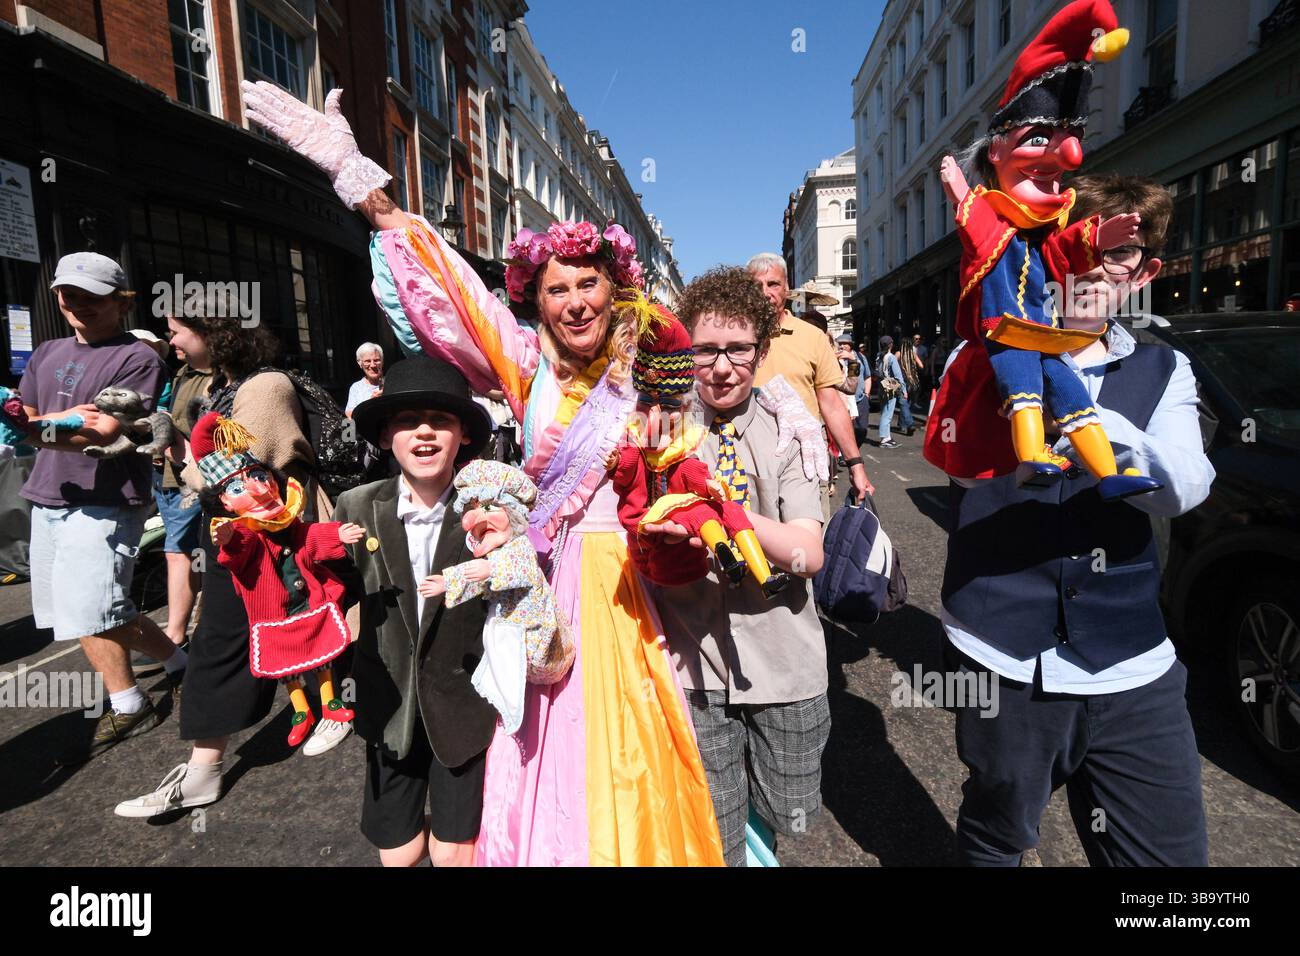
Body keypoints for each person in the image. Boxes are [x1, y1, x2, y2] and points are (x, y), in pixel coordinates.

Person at [238, 79, 728, 865]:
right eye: (555, 289)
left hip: (617, 586)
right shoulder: (525, 366)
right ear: (536, 303)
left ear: (614, 291)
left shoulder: (651, 377)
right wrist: (362, 184)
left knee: (618, 740)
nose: (572, 301)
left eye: (587, 284)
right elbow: (450, 291)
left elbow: (687, 470)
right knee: (525, 734)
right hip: (534, 572)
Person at [937, 172, 1214, 866]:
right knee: (996, 836)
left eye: (1120, 252)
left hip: (1132, 666)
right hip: (1002, 654)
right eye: (1080, 243)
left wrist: (1102, 430)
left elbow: (1184, 487)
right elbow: (961, 473)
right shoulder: (979, 357)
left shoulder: (1164, 367)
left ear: (1142, 272)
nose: (1095, 264)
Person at [115, 315, 342, 818]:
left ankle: (333, 712)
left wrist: (174, 446)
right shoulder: (223, 387)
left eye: (178, 329)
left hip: (273, 536)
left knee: (294, 629)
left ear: (214, 332)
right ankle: (204, 769)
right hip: (237, 535)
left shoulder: (261, 387)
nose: (171, 340)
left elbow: (236, 471)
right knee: (227, 638)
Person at [649, 266, 830, 867]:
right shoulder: (662, 432)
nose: (722, 367)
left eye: (737, 349)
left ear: (761, 347)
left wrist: (727, 514)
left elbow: (809, 553)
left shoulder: (792, 433)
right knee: (712, 822)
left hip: (783, 659)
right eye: (705, 350)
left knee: (789, 808)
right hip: (693, 660)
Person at [19, 252, 184, 764]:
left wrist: (38, 426)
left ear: (120, 300)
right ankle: (180, 661)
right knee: (87, 610)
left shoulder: (138, 358)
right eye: (69, 294)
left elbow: (103, 432)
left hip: (105, 499)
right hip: (48, 495)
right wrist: (60, 418)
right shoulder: (46, 350)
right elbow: (25, 414)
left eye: (92, 295)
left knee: (91, 608)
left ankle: (129, 701)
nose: (78, 304)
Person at [331, 356, 495, 866]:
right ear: (384, 437)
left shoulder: (489, 508)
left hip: (462, 708)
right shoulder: (355, 507)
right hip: (388, 706)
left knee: (452, 853)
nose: (424, 433)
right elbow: (333, 592)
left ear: (463, 434)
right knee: (399, 852)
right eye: (406, 421)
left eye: (441, 420)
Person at [746, 253, 873, 499]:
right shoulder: (733, 336)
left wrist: (856, 463)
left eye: (773, 284)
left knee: (809, 536)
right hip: (747, 464)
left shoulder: (811, 337)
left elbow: (833, 405)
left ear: (786, 289)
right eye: (756, 286)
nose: (765, 292)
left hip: (804, 461)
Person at [151, 316, 213, 649]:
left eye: (176, 333)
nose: (171, 342)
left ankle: (175, 633)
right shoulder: (181, 374)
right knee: (182, 550)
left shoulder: (219, 380)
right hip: (169, 474)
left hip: (194, 479)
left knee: (179, 550)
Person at [874, 335, 908, 448]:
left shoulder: (879, 356)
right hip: (890, 385)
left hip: (881, 385)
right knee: (888, 412)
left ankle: (887, 436)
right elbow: (898, 376)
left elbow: (877, 372)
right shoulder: (891, 357)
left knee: (885, 410)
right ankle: (884, 438)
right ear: (891, 345)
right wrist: (904, 389)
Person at [345, 343, 384, 417]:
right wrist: (370, 404)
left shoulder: (391, 382)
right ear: (360, 364)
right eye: (367, 361)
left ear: (382, 362)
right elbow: (349, 416)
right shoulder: (356, 388)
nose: (372, 365)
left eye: (376, 360)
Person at [896, 337, 921, 435]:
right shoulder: (913, 354)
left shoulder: (898, 353)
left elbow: (891, 363)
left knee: (903, 403)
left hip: (901, 380)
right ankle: (901, 425)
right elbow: (921, 365)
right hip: (912, 381)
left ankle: (910, 424)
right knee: (906, 403)